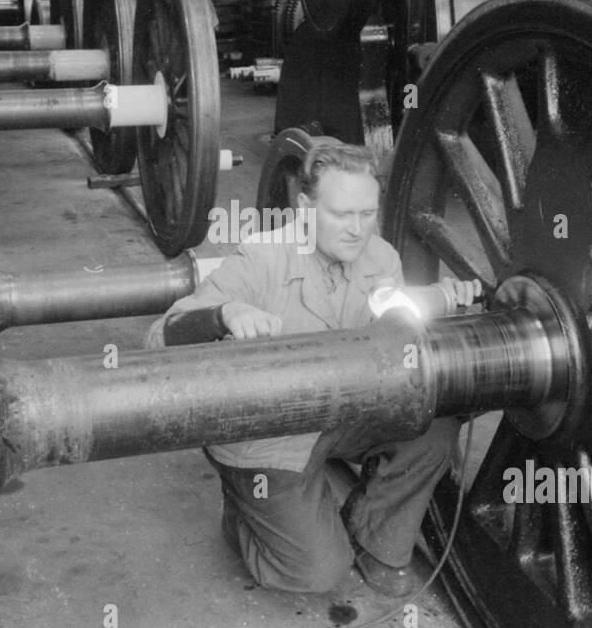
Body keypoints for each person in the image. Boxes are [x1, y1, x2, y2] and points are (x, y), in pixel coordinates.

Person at [145, 142, 483, 596]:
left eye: (368, 214)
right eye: (343, 214)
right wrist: (223, 314)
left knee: (434, 425)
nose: (358, 229)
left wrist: (439, 306)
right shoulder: (262, 257)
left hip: (345, 411)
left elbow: (396, 337)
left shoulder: (381, 258)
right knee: (318, 573)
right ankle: (244, 515)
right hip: (269, 438)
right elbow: (157, 339)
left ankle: (374, 539)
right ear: (305, 208)